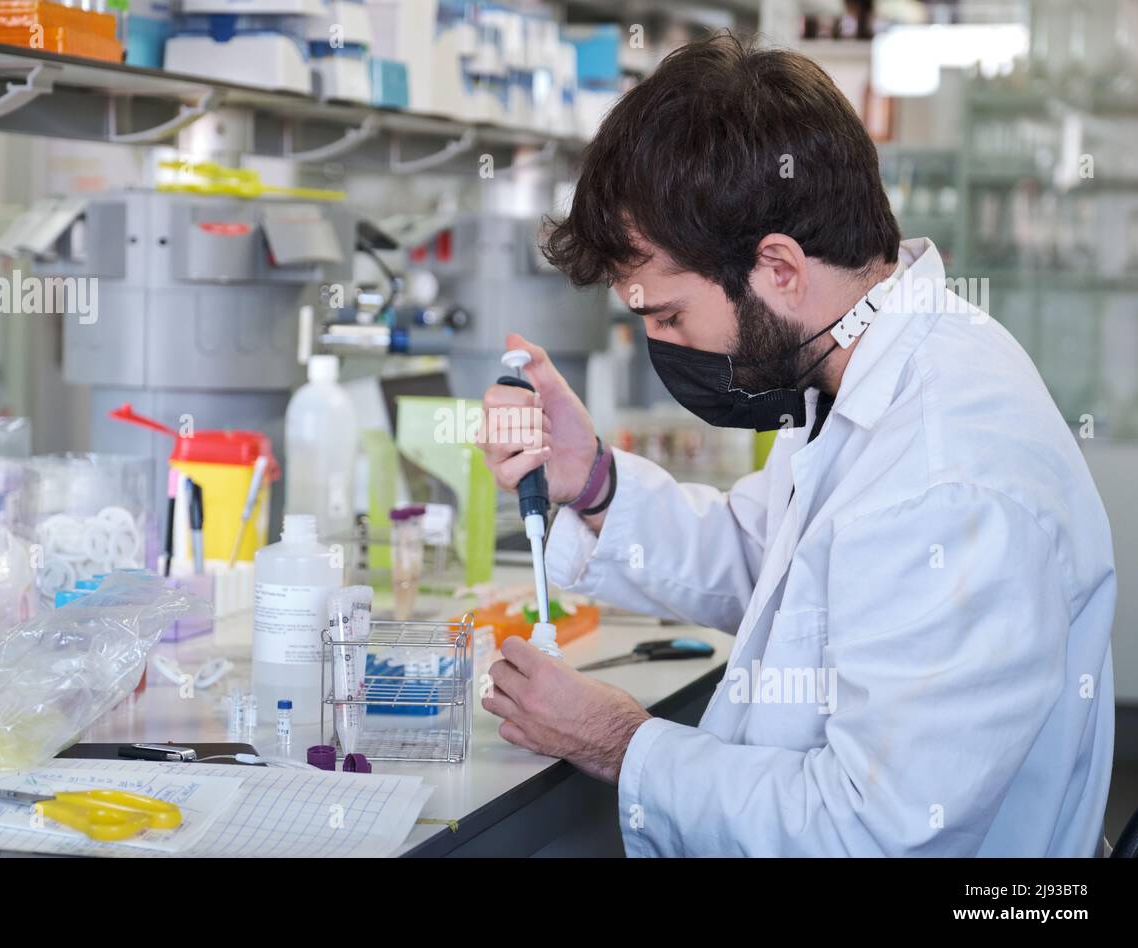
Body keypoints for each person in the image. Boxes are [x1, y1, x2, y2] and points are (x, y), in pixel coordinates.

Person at [475, 32, 1115, 857]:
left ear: (778, 267)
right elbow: (771, 560)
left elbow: (873, 834)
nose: (664, 344)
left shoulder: (945, 475)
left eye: (669, 316)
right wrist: (591, 479)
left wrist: (624, 745)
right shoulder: (869, 367)